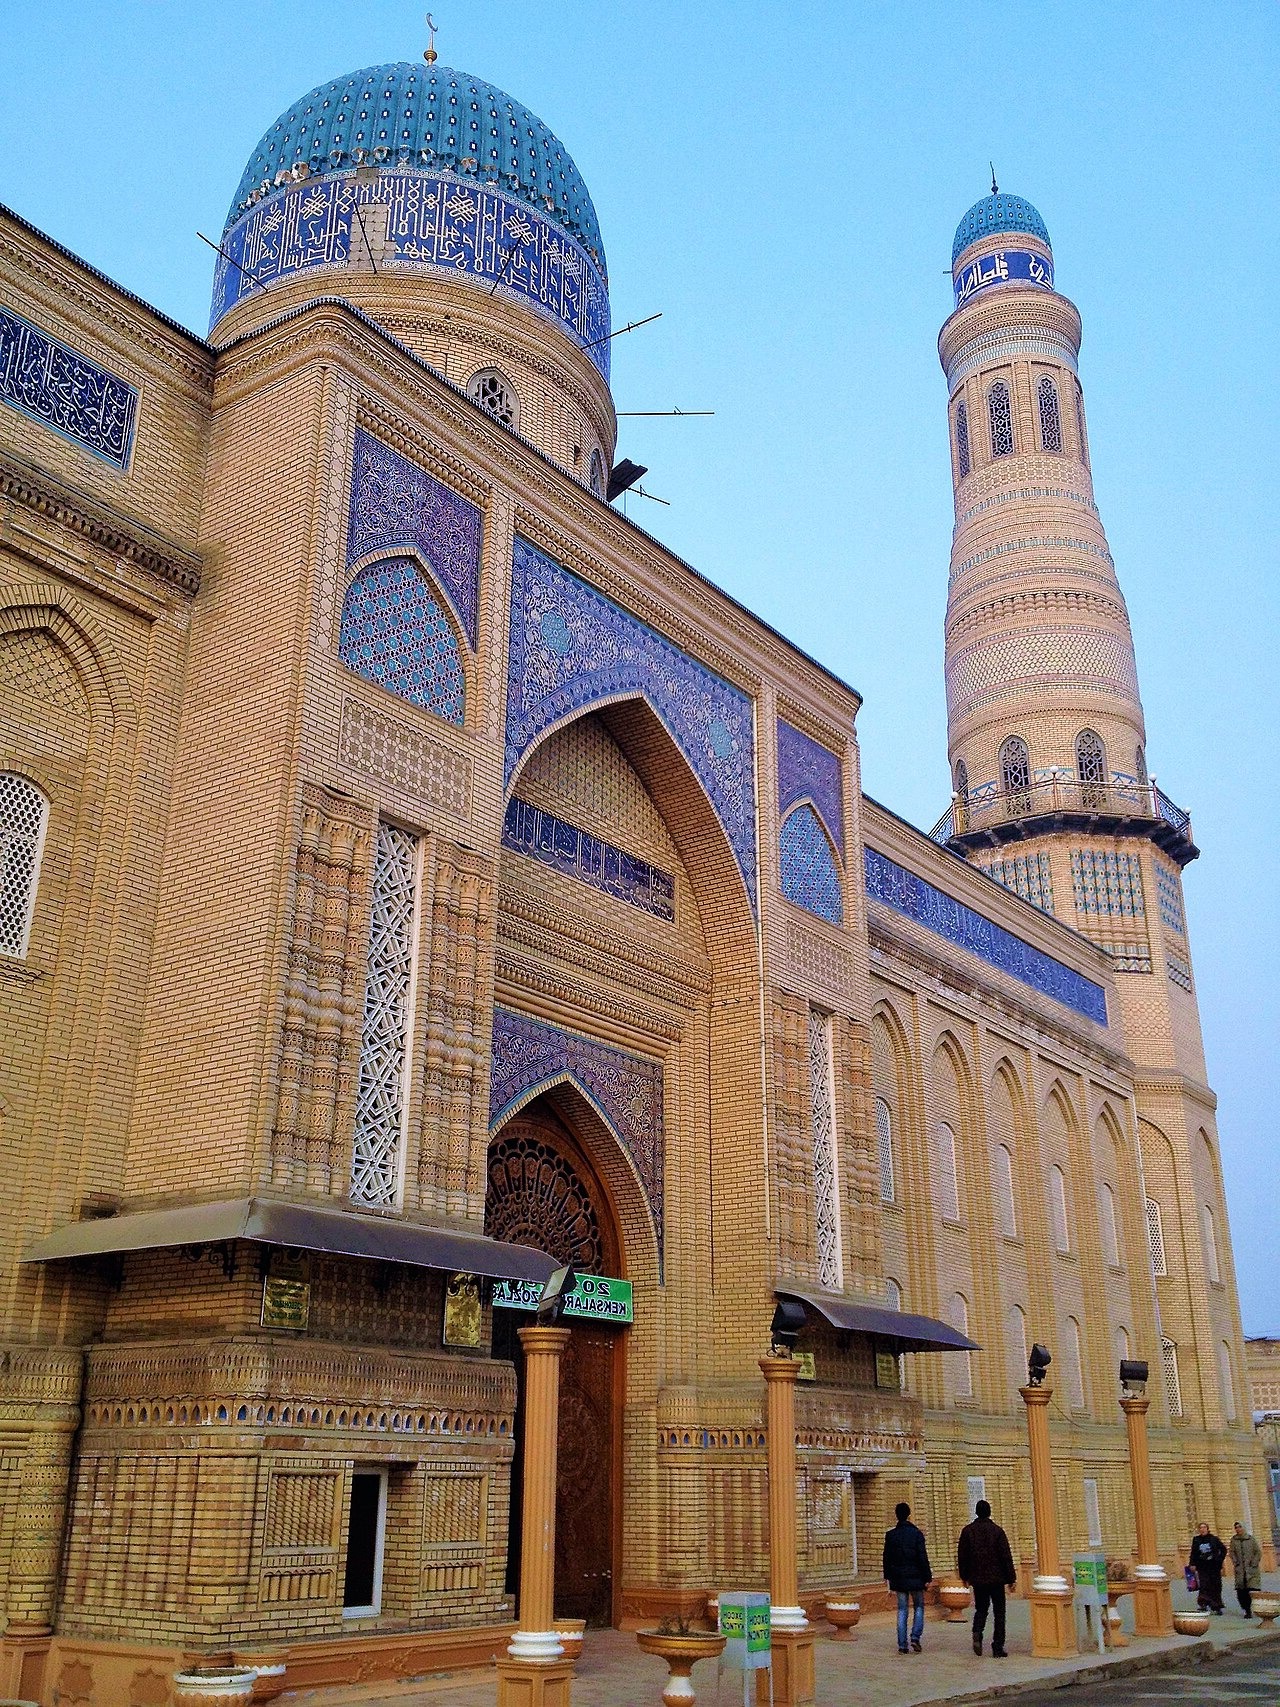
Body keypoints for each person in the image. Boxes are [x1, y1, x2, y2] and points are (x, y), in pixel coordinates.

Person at [957, 1498, 1017, 1657]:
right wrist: (1011, 1579)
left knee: (981, 1609)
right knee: (999, 1613)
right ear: (989, 1513)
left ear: (976, 1512)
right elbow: (1006, 1556)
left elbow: (962, 1556)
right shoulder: (997, 1531)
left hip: (978, 1579)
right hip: (997, 1579)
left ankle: (977, 1631)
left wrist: (964, 1576)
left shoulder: (968, 1531)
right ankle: (997, 1647)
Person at [883, 1500, 933, 1654]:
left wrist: (888, 1577)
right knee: (919, 1606)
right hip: (916, 1577)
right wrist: (927, 1577)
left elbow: (886, 1558)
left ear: (896, 1515)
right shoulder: (916, 1534)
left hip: (898, 1578)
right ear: (909, 1514)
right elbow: (922, 1557)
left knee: (902, 1609)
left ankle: (902, 1645)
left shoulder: (891, 1535)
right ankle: (915, 1637)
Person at [1189, 1521, 1227, 1614]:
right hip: (1202, 1567)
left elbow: (1223, 1549)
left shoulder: (1214, 1539)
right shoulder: (1196, 1540)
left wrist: (1219, 1560)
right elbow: (1193, 1553)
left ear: (1207, 1529)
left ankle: (1216, 1606)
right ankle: (1203, 1604)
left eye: (1204, 1527)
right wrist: (1192, 1564)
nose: (1202, 1529)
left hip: (1214, 1567)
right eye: (1200, 1528)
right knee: (1204, 1585)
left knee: (1215, 1585)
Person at [1229, 1520, 1262, 1617]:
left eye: (1240, 1527)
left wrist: (1254, 1562)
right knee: (1241, 1591)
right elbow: (1232, 1552)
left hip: (1251, 1570)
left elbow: (1257, 1552)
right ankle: (1246, 1609)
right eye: (1236, 1527)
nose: (1238, 1529)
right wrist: (1235, 1562)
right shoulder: (1234, 1540)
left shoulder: (1250, 1539)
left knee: (1252, 1590)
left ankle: (1254, 1608)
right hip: (1240, 1570)